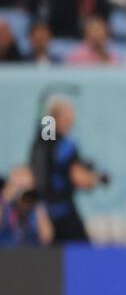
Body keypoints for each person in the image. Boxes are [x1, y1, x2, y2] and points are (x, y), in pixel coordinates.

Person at [29, 97, 108, 243]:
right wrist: (95, 179)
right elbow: (77, 177)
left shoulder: (42, 141)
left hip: (46, 212)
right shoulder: (65, 145)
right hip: (62, 213)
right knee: (83, 256)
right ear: (61, 118)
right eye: (70, 115)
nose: (73, 120)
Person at [0, 165, 54, 246]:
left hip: (28, 255)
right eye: (19, 187)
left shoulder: (36, 206)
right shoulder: (5, 203)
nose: (22, 192)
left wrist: (37, 205)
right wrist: (5, 199)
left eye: (26, 188)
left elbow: (47, 238)